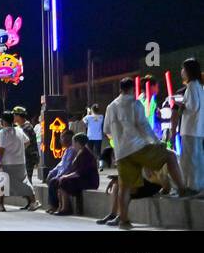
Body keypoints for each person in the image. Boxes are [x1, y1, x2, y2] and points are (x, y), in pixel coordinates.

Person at [105, 76, 196, 228]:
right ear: (133, 89)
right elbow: (144, 127)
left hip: (121, 152)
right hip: (138, 147)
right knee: (170, 155)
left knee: (125, 187)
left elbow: (107, 130)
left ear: (120, 89)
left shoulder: (110, 107)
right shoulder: (135, 104)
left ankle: (124, 220)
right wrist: (156, 141)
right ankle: (182, 189)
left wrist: (117, 145)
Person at [0, 107, 41, 212]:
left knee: (1, 182)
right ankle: (33, 202)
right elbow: (27, 142)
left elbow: (0, 150)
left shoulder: (2, 133)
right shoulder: (19, 130)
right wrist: (19, 150)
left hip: (7, 162)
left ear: (3, 121)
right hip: (20, 162)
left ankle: (0, 204)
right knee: (25, 182)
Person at [46, 132, 99, 215]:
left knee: (63, 181)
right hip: (82, 178)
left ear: (78, 143)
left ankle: (65, 208)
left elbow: (79, 172)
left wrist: (65, 176)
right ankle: (61, 206)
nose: (73, 144)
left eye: (74, 142)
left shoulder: (85, 154)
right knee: (61, 181)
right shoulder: (80, 152)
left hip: (89, 180)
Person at [173, 58, 204, 191]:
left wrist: (181, 105)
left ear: (188, 71)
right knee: (196, 157)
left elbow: (193, 106)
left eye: (183, 69)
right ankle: (196, 184)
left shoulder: (191, 86)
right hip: (196, 129)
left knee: (190, 159)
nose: (181, 72)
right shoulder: (198, 86)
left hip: (190, 129)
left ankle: (192, 185)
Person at [82, 104, 105, 169]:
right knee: (98, 152)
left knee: (90, 152)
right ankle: (101, 165)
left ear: (92, 110)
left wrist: (88, 112)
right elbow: (95, 118)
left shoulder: (88, 117)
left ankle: (90, 165)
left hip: (90, 136)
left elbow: (84, 121)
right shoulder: (101, 116)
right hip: (98, 137)